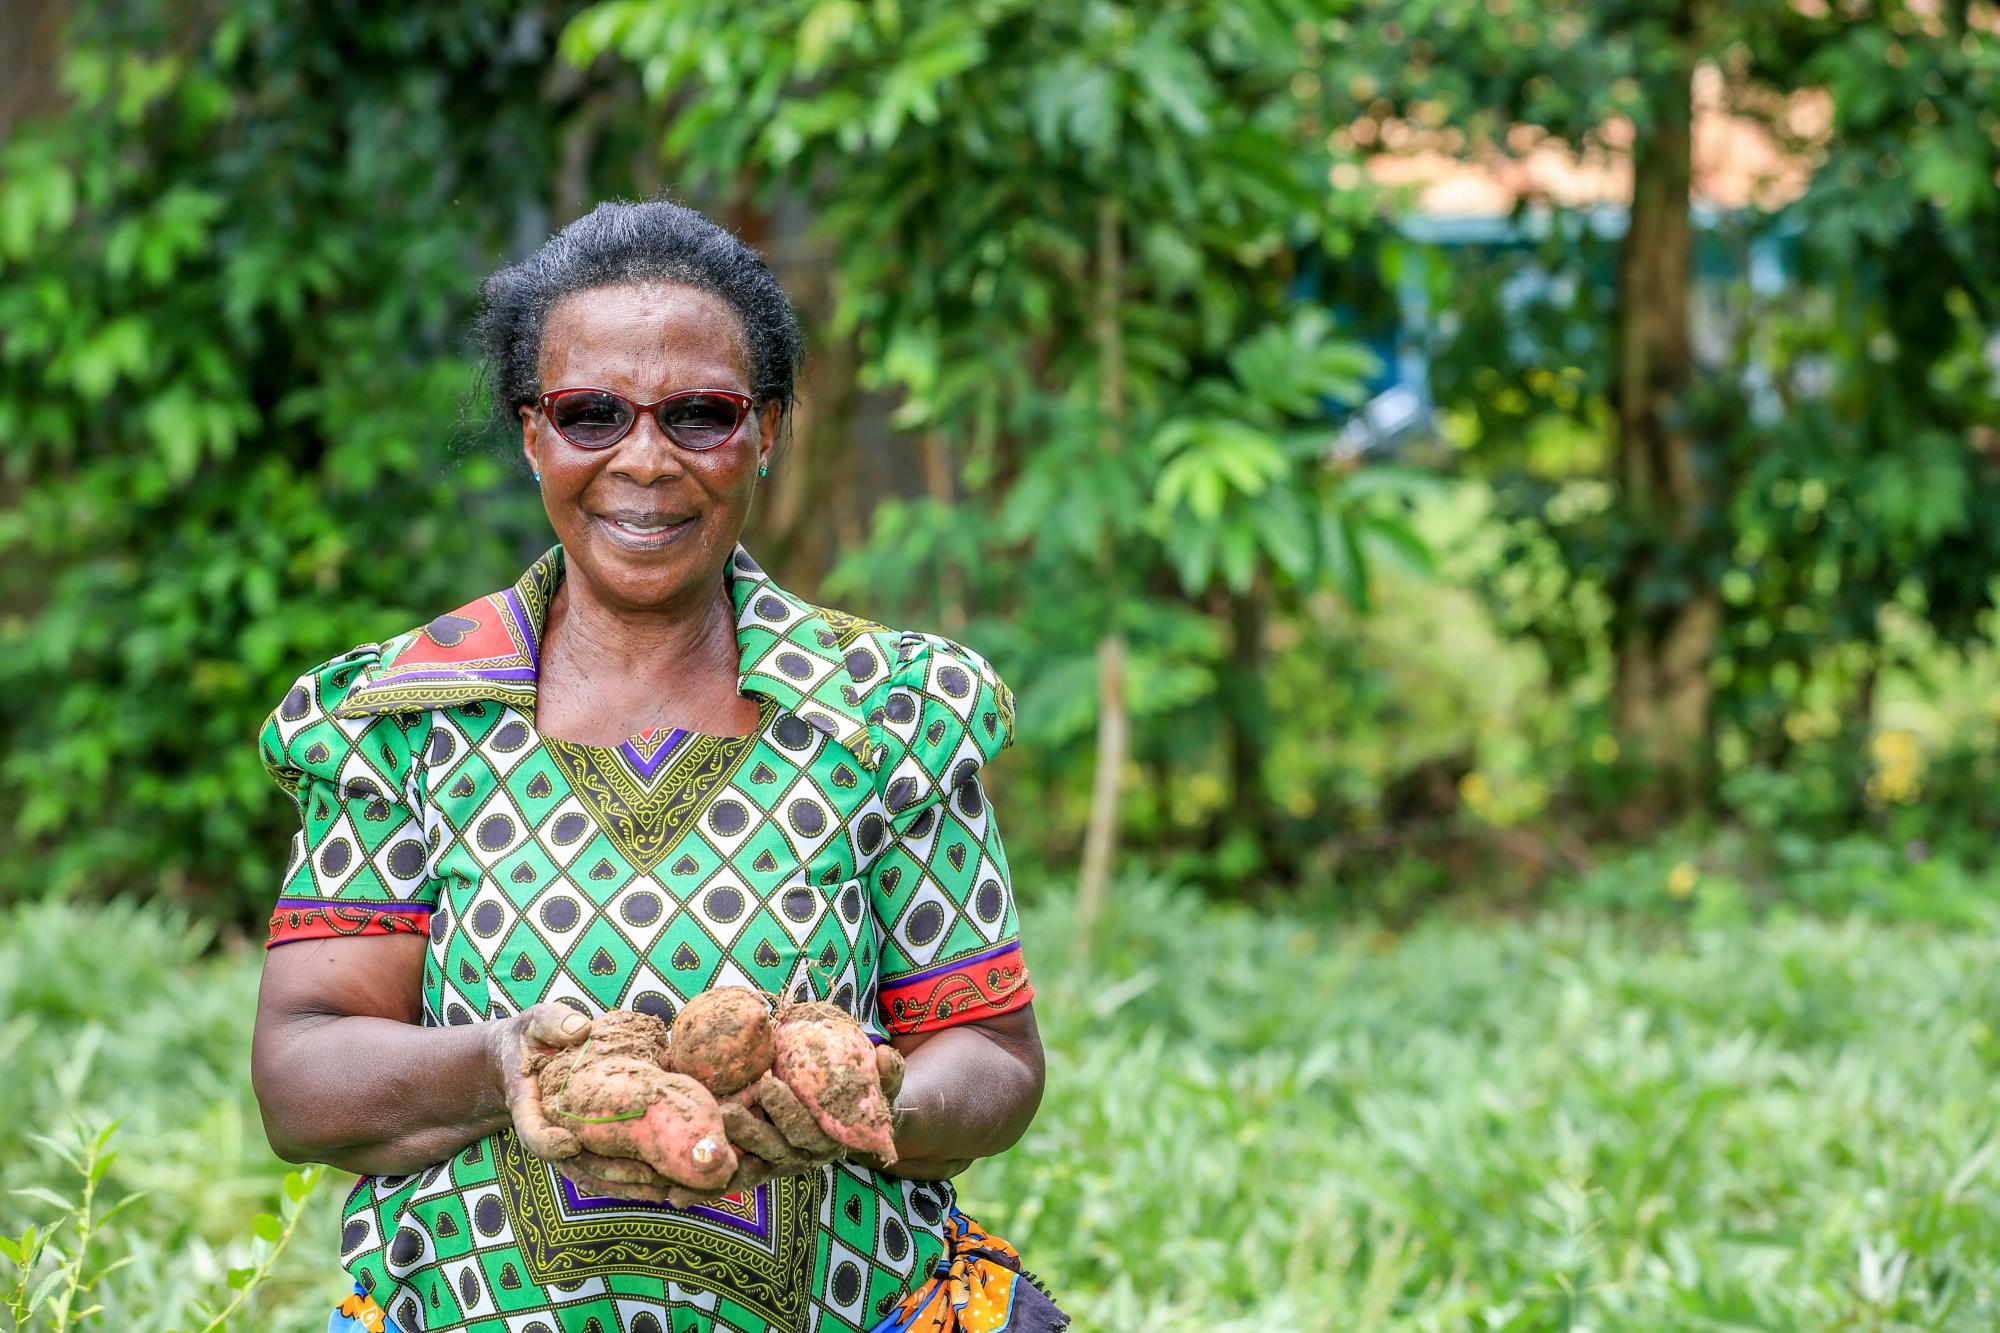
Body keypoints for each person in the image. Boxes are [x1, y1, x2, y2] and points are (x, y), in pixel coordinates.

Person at [250, 200, 1063, 1333]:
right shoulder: (404, 719)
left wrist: (877, 1098)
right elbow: (302, 1070)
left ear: (765, 429)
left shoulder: (886, 714)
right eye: (590, 415)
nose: (644, 459)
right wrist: (498, 1067)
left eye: (700, 414)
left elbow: (991, 1056)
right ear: (531, 433)